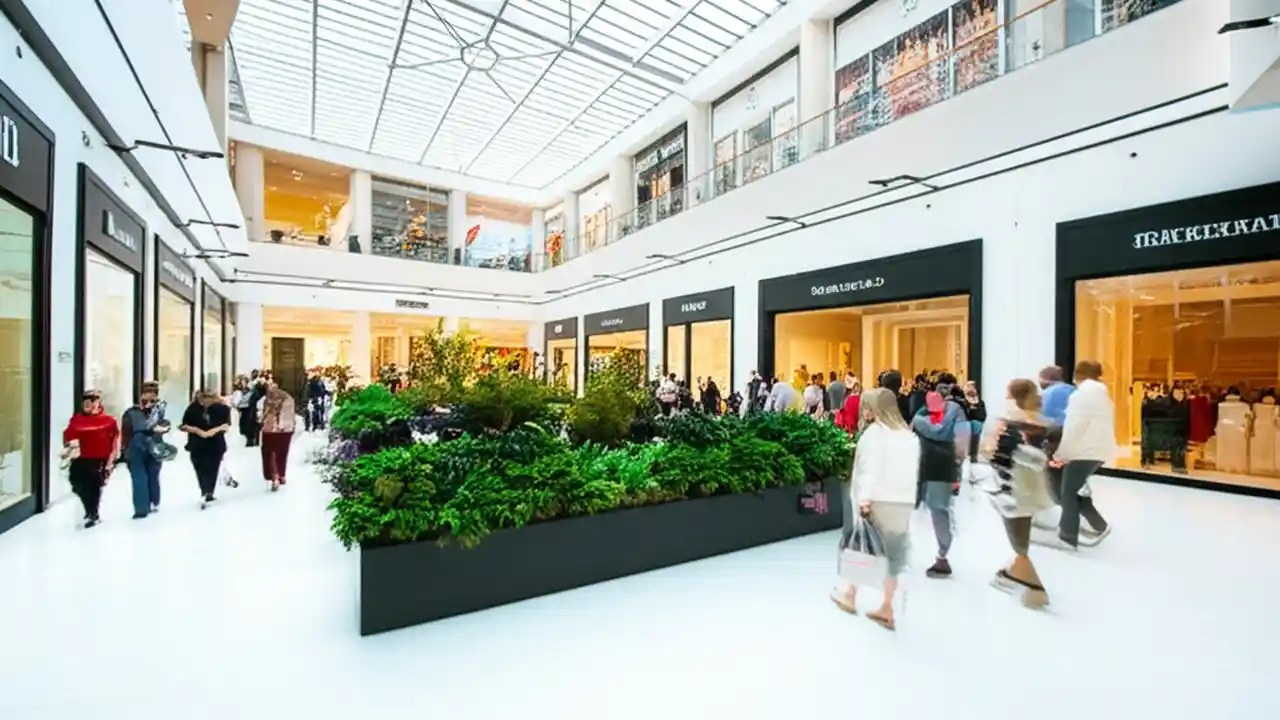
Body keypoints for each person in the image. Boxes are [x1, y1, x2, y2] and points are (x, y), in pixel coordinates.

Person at [832, 388, 920, 631]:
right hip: (902, 502)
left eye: (867, 406)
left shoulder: (875, 434)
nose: (865, 411)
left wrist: (865, 499)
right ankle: (887, 607)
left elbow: (871, 468)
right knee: (894, 555)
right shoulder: (909, 436)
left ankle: (849, 594)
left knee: (863, 546)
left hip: (878, 500)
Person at [980, 379, 1052, 608]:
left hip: (1013, 493)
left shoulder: (1011, 424)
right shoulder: (1034, 422)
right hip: (1025, 492)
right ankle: (1013, 574)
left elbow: (995, 455)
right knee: (1020, 543)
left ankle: (1032, 586)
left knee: (1020, 546)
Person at [1051, 360, 1114, 549]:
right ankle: (1098, 524)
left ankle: (1068, 536)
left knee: (1067, 493)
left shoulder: (1081, 396)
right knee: (1074, 489)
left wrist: (1061, 454)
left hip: (1083, 451)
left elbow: (1074, 427)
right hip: (1099, 451)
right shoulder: (1102, 395)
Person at [911, 373, 967, 578]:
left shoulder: (923, 411)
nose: (945, 391)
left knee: (937, 510)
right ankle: (942, 555)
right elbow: (961, 442)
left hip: (930, 464)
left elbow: (915, 428)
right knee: (939, 510)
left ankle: (942, 556)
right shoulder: (956, 411)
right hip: (938, 465)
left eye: (948, 387)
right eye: (942, 387)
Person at [61, 389, 119, 528]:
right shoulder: (76, 420)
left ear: (98, 403)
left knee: (94, 486)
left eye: (92, 402)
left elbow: (114, 440)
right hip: (80, 458)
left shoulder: (108, 421)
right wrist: (68, 447)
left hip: (99, 458)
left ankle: (92, 513)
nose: (89, 405)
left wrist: (112, 460)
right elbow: (68, 434)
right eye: (86, 402)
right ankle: (90, 511)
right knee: (76, 483)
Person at [120, 382, 171, 519]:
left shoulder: (159, 411)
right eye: (146, 394)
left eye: (153, 395)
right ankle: (141, 507)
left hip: (153, 445)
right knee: (139, 476)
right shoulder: (131, 413)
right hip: (137, 446)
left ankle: (152, 501)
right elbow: (126, 432)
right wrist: (124, 450)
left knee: (152, 474)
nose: (149, 398)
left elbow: (165, 426)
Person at [181, 390, 233, 508]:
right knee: (200, 467)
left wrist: (213, 431)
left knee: (212, 468)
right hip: (197, 444)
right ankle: (205, 489)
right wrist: (197, 431)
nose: (204, 402)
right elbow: (184, 425)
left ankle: (208, 491)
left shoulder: (222, 408)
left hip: (215, 443)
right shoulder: (192, 409)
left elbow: (226, 425)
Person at [259, 381, 297, 491]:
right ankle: (281, 475)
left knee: (270, 453)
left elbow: (264, 415)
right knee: (282, 453)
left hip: (270, 430)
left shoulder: (268, 400)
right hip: (285, 430)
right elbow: (291, 416)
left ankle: (274, 476)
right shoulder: (289, 399)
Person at [962, 380, 987, 464]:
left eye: (972, 387)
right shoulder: (963, 401)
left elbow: (982, 415)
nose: (970, 389)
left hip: (976, 423)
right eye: (968, 387)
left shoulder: (980, 402)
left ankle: (973, 455)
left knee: (976, 426)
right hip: (966, 424)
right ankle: (967, 454)